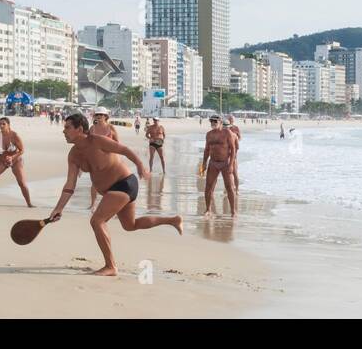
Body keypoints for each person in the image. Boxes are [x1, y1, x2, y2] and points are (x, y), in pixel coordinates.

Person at [49, 113, 182, 277]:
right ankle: (173, 220)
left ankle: (110, 266)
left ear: (80, 129)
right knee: (130, 225)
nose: (64, 131)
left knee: (97, 221)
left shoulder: (98, 141)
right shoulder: (74, 155)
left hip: (124, 183)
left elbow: (124, 150)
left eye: (67, 128)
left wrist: (140, 166)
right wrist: (58, 208)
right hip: (114, 191)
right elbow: (70, 184)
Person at [0, 117, 33, 207]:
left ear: (8, 125)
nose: (1, 126)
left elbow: (22, 150)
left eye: (4, 124)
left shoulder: (14, 135)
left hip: (16, 160)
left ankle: (29, 203)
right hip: (2, 160)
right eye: (0, 124)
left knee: (22, 183)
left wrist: (12, 157)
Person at [200, 114, 238, 217]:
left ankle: (233, 211)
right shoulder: (209, 134)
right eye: (211, 121)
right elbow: (207, 149)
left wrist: (231, 165)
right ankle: (208, 209)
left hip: (225, 163)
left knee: (229, 187)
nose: (213, 123)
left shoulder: (227, 133)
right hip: (213, 163)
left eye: (215, 121)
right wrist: (204, 163)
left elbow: (233, 149)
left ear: (220, 122)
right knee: (208, 187)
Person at [87, 107, 120, 210]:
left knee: (112, 183)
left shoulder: (111, 128)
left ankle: (112, 204)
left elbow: (117, 143)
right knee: (95, 183)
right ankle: (93, 204)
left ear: (105, 116)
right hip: (96, 159)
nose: (99, 117)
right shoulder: (92, 128)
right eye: (97, 115)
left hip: (110, 159)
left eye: (101, 115)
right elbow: (88, 143)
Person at [226, 115, 242, 190]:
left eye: (231, 119)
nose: (230, 120)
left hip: (233, 153)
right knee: (227, 173)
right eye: (229, 119)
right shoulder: (224, 128)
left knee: (235, 172)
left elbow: (239, 138)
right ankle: (227, 188)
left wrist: (235, 140)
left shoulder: (235, 128)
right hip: (225, 153)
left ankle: (237, 189)